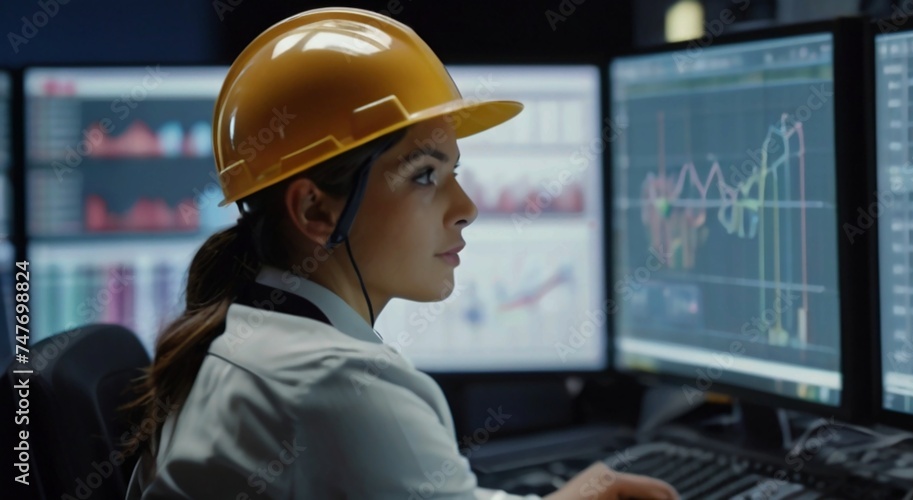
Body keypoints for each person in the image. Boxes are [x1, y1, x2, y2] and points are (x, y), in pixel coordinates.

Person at [122, 7, 679, 499]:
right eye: (424, 175)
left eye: (453, 172)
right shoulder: (336, 388)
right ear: (316, 212)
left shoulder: (244, 342)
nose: (466, 207)